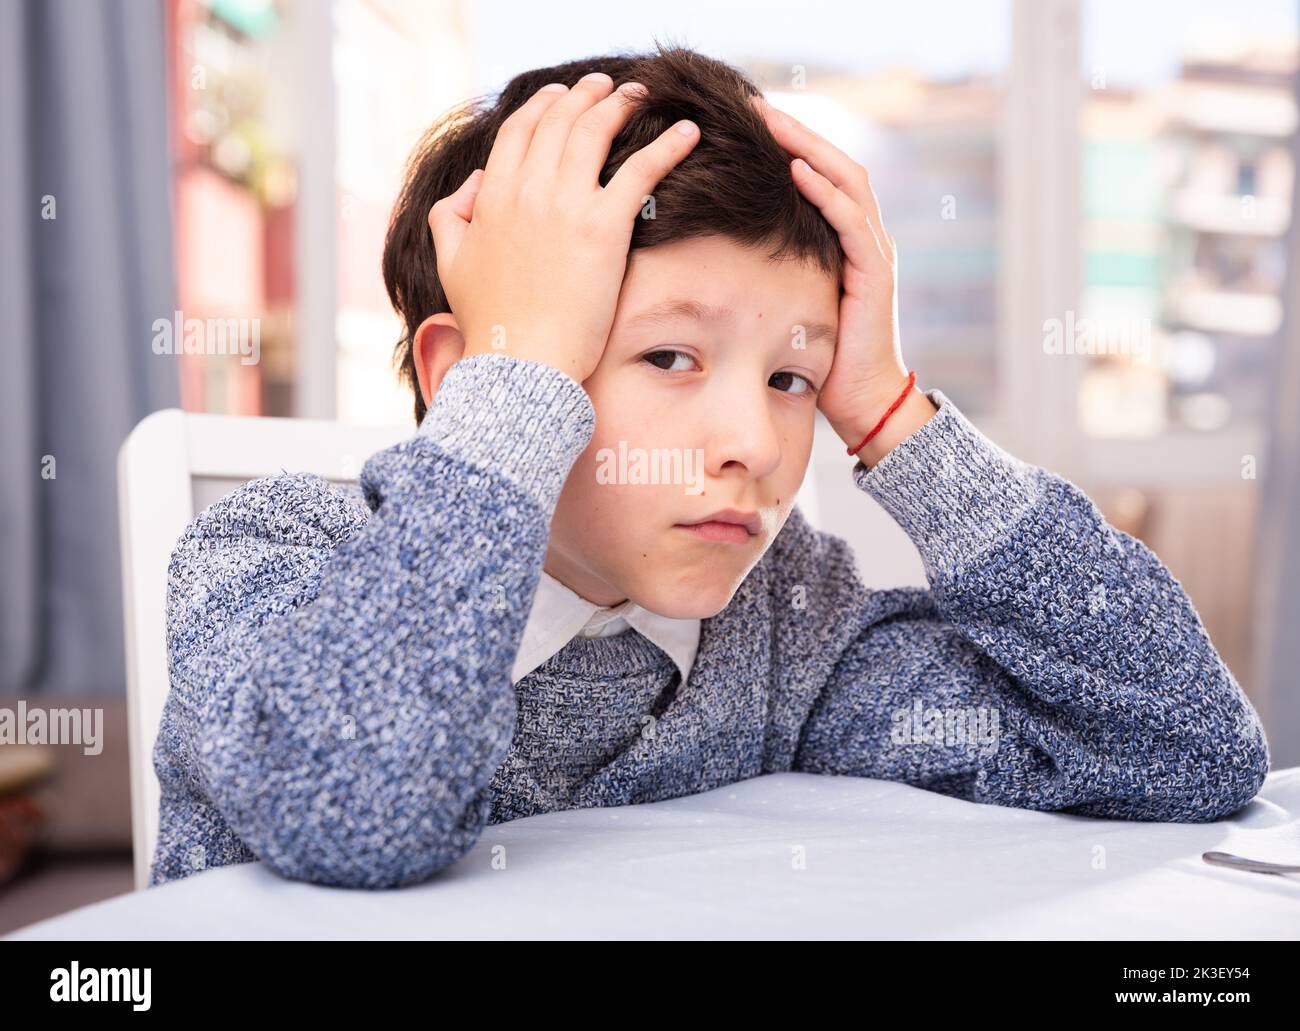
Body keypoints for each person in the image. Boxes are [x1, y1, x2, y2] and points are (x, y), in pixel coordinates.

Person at [149, 44, 1270, 890]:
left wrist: (890, 412)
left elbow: (1180, 751)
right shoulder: (267, 562)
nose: (754, 441)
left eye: (793, 378)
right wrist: (516, 378)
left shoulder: (791, 631)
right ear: (477, 376)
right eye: (670, 354)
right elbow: (358, 806)